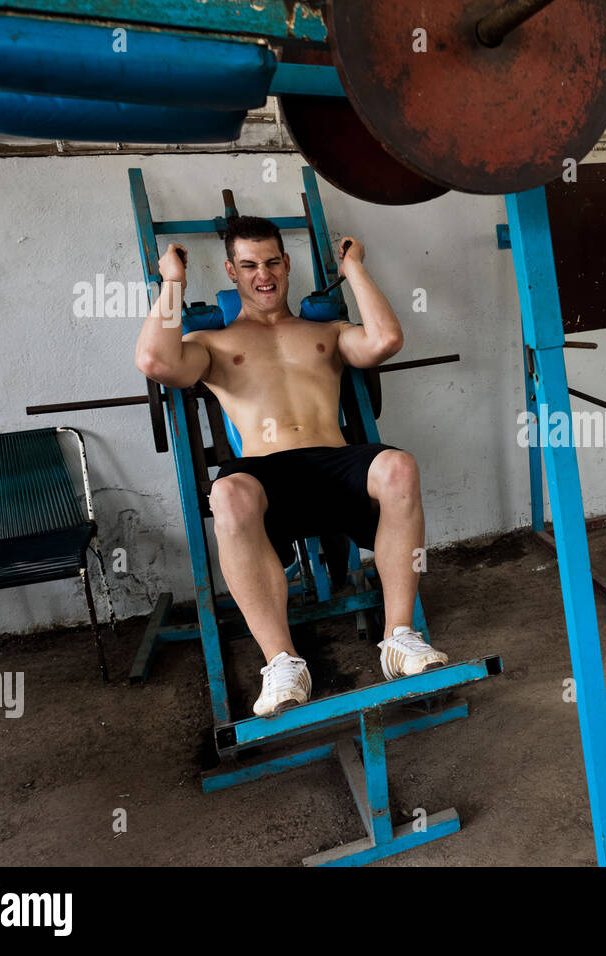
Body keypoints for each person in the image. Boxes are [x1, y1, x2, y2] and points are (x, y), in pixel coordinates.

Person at [135, 215, 447, 715]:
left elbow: (385, 341)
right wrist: (172, 282)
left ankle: (399, 637)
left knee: (398, 466)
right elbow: (154, 362)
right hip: (267, 473)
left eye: (273, 262)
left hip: (334, 460)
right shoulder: (213, 344)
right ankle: (281, 662)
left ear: (287, 264)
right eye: (249, 265)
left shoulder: (325, 331)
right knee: (227, 494)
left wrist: (353, 268)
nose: (264, 274)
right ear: (231, 272)